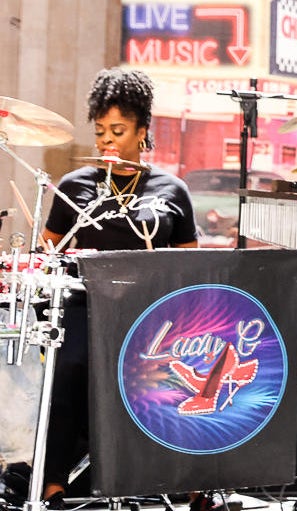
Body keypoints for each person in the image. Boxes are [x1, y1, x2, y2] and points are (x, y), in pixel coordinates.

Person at [40, 67, 198, 506]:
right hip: (86, 306)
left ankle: (180, 476)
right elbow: (48, 253)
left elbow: (191, 264)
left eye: (118, 131)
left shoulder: (172, 190)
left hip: (150, 314)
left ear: (142, 132)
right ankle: (53, 482)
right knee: (67, 365)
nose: (107, 141)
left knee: (175, 371)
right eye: (100, 132)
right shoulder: (75, 186)